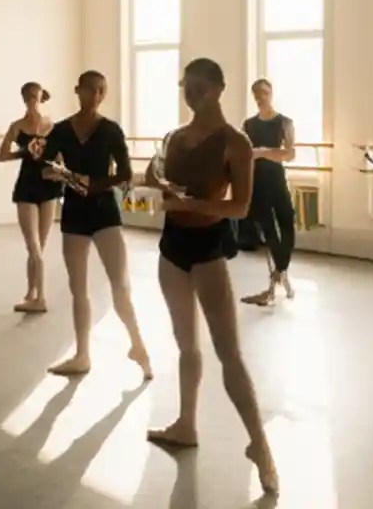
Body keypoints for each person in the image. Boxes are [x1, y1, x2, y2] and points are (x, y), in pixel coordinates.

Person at [144, 58, 279, 496]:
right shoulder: (174, 137)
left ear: (219, 88)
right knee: (187, 346)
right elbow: (150, 188)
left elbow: (239, 207)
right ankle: (186, 423)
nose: (193, 93)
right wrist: (154, 187)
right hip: (171, 250)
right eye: (188, 86)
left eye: (201, 86)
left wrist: (192, 205)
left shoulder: (234, 142)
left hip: (207, 251)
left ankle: (260, 444)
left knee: (229, 353)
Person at [34, 70, 152, 378]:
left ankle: (137, 344)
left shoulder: (111, 130)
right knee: (78, 289)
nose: (96, 96)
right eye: (91, 90)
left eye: (102, 91)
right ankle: (82, 354)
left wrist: (93, 183)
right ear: (78, 90)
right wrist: (58, 174)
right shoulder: (60, 130)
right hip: (74, 213)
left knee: (120, 287)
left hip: (104, 212)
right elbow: (46, 164)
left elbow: (125, 173)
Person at [0, 81, 62, 313]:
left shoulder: (51, 125)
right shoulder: (17, 127)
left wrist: (59, 170)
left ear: (41, 97)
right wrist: (24, 152)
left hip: (48, 186)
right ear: (24, 99)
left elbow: (61, 155)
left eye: (35, 97)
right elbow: (2, 155)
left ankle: (34, 293)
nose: (32, 101)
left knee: (40, 247)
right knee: (33, 246)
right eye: (28, 97)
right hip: (27, 186)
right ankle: (37, 296)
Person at [239, 78, 297, 306]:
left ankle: (280, 270)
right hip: (258, 181)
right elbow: (245, 154)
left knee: (287, 221)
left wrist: (262, 152)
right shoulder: (248, 124)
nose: (260, 96)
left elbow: (289, 154)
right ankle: (278, 277)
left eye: (264, 92)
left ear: (271, 93)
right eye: (256, 93)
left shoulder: (284, 122)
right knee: (267, 228)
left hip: (276, 179)